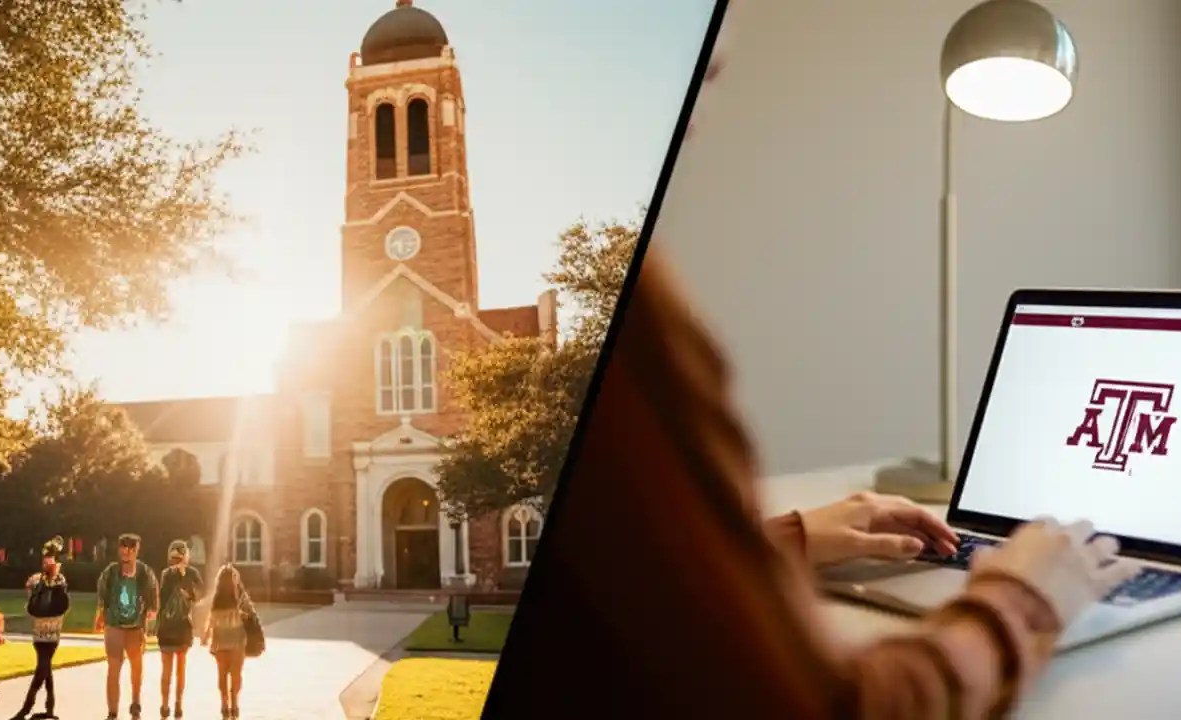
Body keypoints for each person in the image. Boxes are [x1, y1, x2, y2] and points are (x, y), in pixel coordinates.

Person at [479, 247, 1143, 720]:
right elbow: (823, 706)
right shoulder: (642, 323)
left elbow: (621, 572)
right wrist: (1021, 602)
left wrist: (779, 540)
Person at [95, 533, 160, 720]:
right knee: (113, 667)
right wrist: (100, 614)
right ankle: (112, 711)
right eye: (123, 547)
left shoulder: (144, 572)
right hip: (114, 624)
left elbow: (153, 592)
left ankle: (135, 702)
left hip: (135, 626)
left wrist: (152, 610)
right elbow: (102, 593)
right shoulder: (111, 572)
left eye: (131, 548)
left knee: (136, 665)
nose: (127, 552)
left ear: (136, 550)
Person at [12, 536, 71, 720]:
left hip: (52, 632)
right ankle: (50, 708)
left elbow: (62, 602)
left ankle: (26, 708)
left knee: (43, 668)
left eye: (50, 560)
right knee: (45, 668)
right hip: (38, 632)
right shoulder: (36, 579)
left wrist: (53, 578)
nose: (47, 563)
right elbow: (31, 600)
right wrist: (39, 584)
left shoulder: (59, 579)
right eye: (45, 560)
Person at [202, 564, 257, 719]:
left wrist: (206, 635)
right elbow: (250, 615)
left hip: (220, 643)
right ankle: (234, 704)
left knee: (222, 675)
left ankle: (224, 704)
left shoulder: (216, 600)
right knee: (236, 675)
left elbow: (211, 619)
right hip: (237, 642)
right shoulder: (239, 597)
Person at [156, 540, 204, 719]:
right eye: (175, 558)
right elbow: (164, 596)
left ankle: (174, 704)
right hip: (174, 626)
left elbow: (199, 595)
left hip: (179, 626)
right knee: (171, 669)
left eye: (178, 558)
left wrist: (186, 586)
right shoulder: (170, 574)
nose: (176, 561)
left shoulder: (188, 573)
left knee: (176, 669)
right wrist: (181, 579)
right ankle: (169, 704)